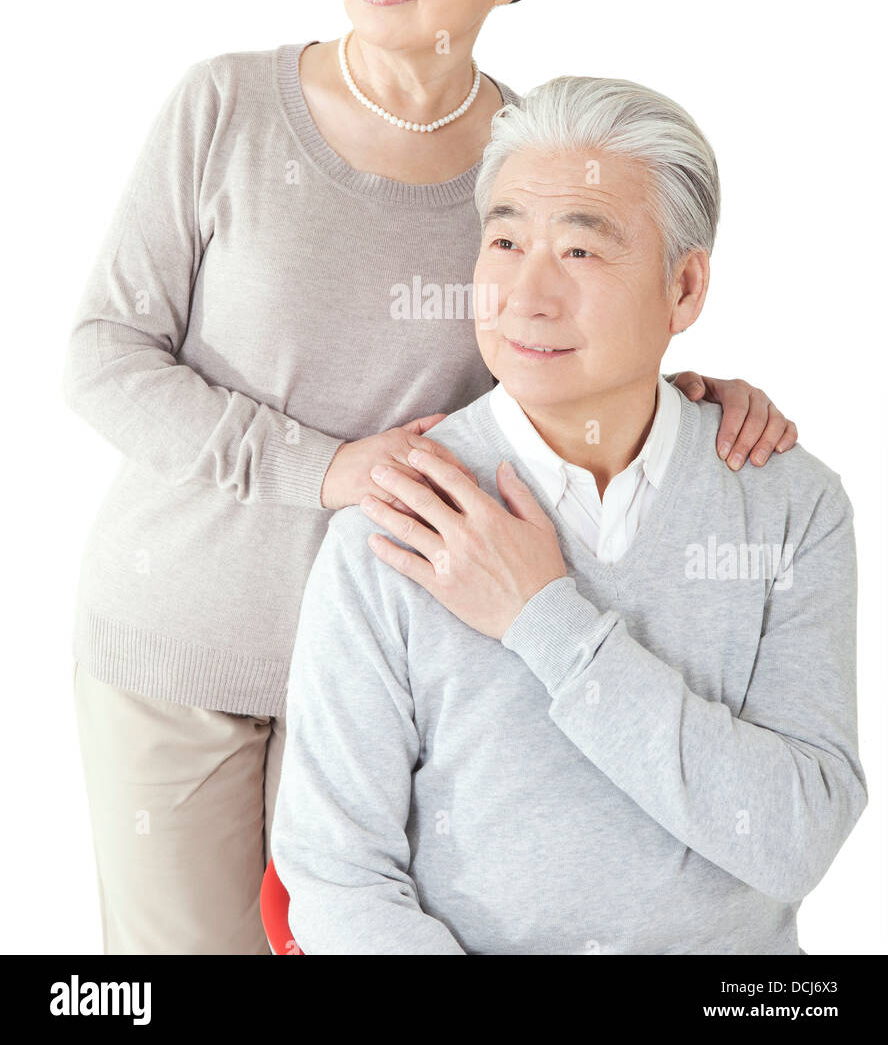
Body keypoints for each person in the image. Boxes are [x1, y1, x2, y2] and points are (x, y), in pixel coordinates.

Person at [62, 0, 796, 955]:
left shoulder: (532, 164)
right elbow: (100, 354)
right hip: (177, 656)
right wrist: (328, 468)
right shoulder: (226, 107)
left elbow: (555, 358)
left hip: (402, 679)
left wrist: (697, 394)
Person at [270, 73, 866, 955]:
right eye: (505, 241)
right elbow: (337, 876)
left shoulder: (789, 503)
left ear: (686, 289)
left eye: (582, 252)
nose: (527, 296)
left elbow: (799, 838)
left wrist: (545, 619)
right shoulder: (394, 521)